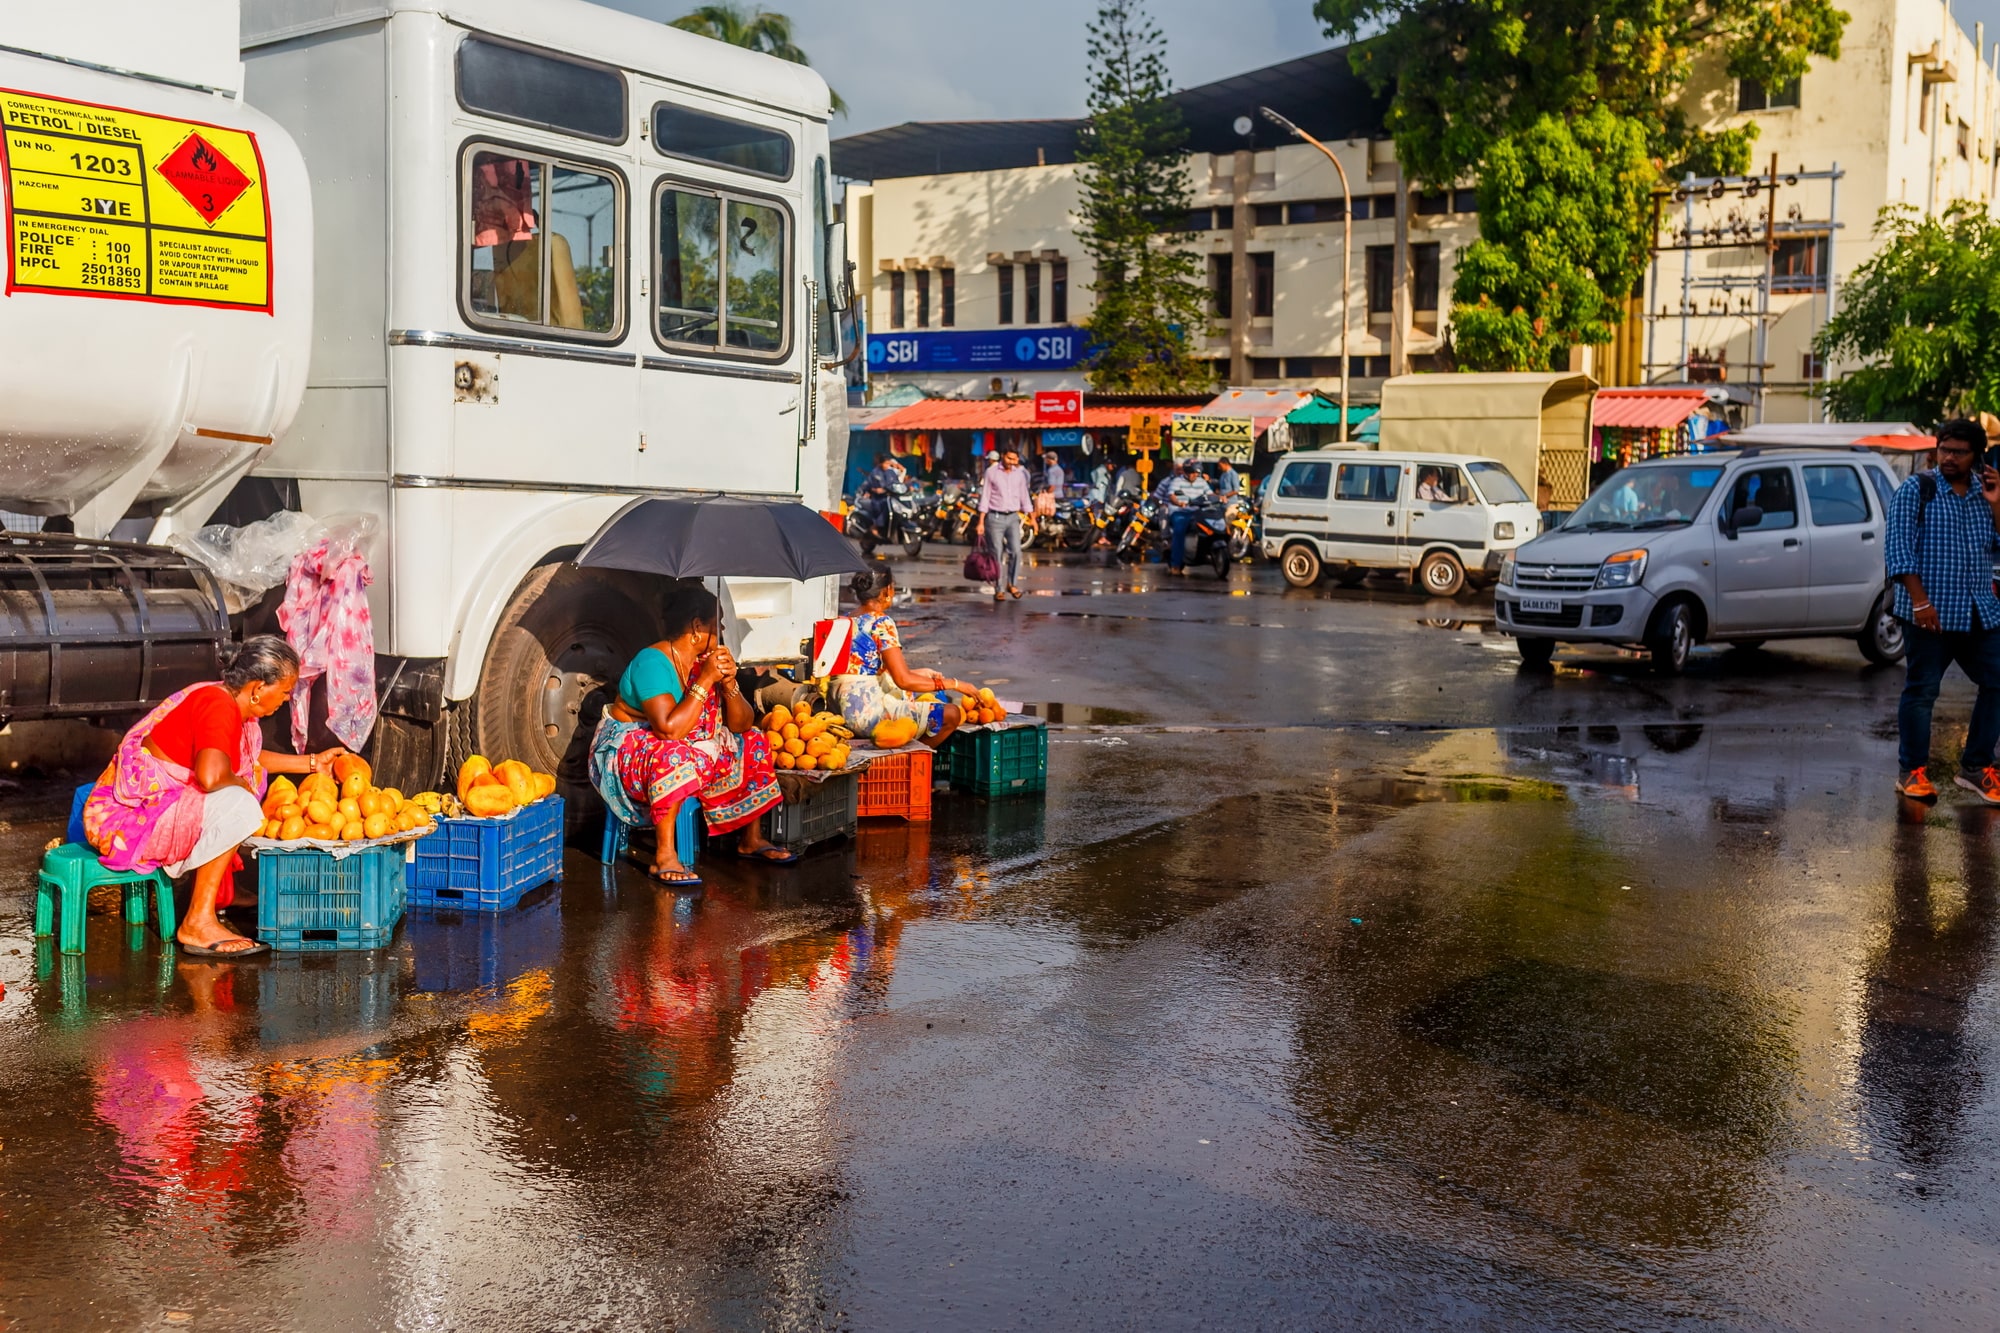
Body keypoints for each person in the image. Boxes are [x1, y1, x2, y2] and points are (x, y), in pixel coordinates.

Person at [83, 636, 350, 958]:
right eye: (283, 691)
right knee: (240, 805)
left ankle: (222, 892)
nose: (285, 699)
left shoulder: (223, 699)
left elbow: (242, 758)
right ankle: (197, 921)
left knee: (237, 794)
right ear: (257, 688)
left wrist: (312, 764)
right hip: (130, 825)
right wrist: (243, 784)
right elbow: (212, 776)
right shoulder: (217, 704)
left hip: (148, 812)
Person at [589, 586, 792, 884]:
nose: (722, 631)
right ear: (698, 627)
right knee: (674, 754)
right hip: (628, 750)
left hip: (686, 739)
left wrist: (729, 685)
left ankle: (751, 838)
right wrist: (707, 678)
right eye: (718, 624)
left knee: (754, 741)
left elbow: (741, 725)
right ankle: (664, 855)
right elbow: (668, 730)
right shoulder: (652, 662)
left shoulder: (703, 662)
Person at [1886, 417, 2000, 802]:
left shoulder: (1984, 496)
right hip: (1929, 615)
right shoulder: (1917, 490)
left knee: (1997, 681)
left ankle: (1976, 767)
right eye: (1944, 449)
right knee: (1922, 692)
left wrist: (1997, 503)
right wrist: (1920, 602)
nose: (1949, 458)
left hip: (1977, 612)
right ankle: (1912, 771)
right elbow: (1898, 552)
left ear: (1977, 456)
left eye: (1959, 452)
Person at [829, 561, 973, 748]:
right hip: (866, 715)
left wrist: (920, 673)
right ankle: (914, 754)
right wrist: (956, 684)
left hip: (841, 708)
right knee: (951, 714)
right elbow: (903, 680)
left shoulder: (846, 619)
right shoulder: (880, 622)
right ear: (887, 590)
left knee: (908, 693)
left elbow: (867, 670)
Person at [977, 447, 1031, 601]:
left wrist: (1032, 517)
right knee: (997, 554)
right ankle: (998, 588)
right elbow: (985, 497)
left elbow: (1024, 496)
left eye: (1015, 460)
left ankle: (1012, 584)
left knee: (1016, 551)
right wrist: (981, 521)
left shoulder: (1019, 474)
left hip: (1013, 517)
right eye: (1009, 459)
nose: (1012, 462)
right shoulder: (991, 473)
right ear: (1002, 457)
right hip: (995, 518)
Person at [1163, 458, 1215, 574]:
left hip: (1198, 512)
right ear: (1186, 472)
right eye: (1192, 473)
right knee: (1179, 531)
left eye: (1196, 473)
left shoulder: (1201, 482)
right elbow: (1171, 495)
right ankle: (1176, 564)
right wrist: (1178, 503)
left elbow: (1210, 494)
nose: (1194, 475)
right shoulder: (1176, 481)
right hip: (1180, 512)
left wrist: (1219, 498)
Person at [859, 455, 903, 534]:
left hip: (890, 497)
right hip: (877, 498)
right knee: (879, 506)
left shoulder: (891, 472)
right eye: (885, 463)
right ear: (881, 463)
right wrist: (874, 490)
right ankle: (875, 526)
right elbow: (868, 485)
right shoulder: (875, 472)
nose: (887, 466)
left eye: (888, 464)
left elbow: (896, 483)